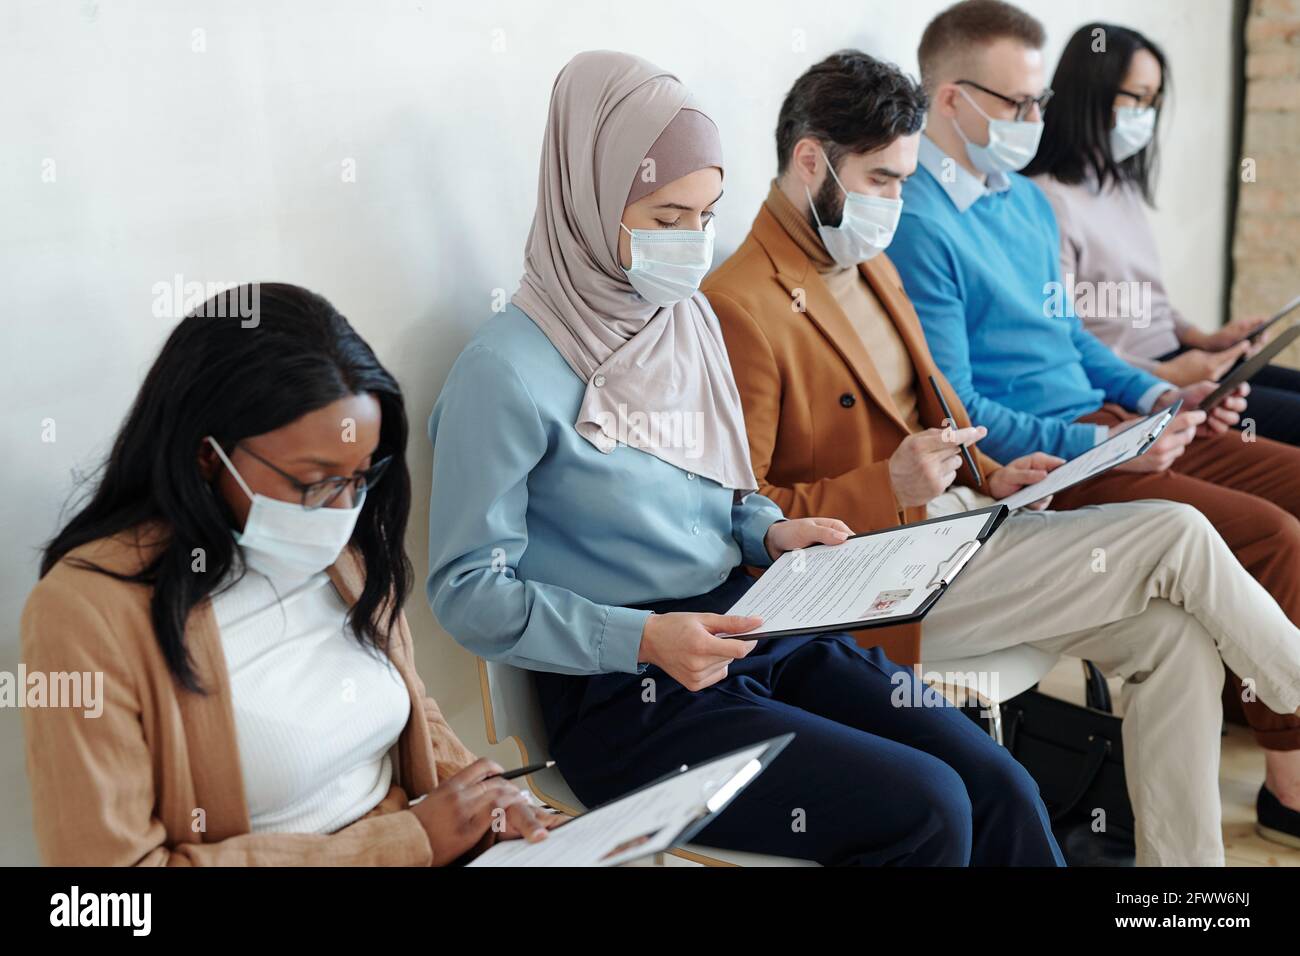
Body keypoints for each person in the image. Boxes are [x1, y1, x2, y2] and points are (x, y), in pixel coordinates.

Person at [427, 50, 1064, 866]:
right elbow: (466, 593)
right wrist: (643, 639)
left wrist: (767, 533)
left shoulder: (681, 321)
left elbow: (726, 492)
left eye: (706, 213)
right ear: (585, 198)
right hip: (636, 695)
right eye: (665, 218)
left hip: (758, 624)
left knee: (997, 783)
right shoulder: (504, 371)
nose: (693, 243)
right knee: (929, 809)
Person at [704, 48, 1300, 866]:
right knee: (1177, 533)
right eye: (882, 179)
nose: (897, 200)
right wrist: (889, 485)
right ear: (812, 160)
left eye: (905, 179)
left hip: (960, 530)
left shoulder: (862, 257)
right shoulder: (740, 303)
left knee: (1175, 641)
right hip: (878, 584)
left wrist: (994, 474)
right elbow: (741, 518)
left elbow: (938, 407)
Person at [887, 0, 1300, 849]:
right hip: (1053, 456)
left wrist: (1158, 403)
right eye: (1017, 104)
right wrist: (1105, 443)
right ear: (951, 98)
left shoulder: (1023, 205)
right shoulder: (916, 220)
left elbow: (1071, 338)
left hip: (1111, 419)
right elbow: (958, 409)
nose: (1036, 121)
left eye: (1040, 102)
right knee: (1273, 536)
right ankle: (1290, 775)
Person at [21, 283, 560, 865]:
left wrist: (490, 802)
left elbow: (412, 711)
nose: (342, 512)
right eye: (314, 482)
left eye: (360, 478)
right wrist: (405, 842)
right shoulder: (87, 611)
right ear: (208, 455)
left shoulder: (343, 555)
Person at [1025, 22, 1300, 445]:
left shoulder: (1119, 186)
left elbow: (1151, 301)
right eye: (1138, 97)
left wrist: (1206, 339)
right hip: (1141, 378)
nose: (1147, 115)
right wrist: (1165, 376)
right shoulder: (1046, 200)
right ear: (1090, 92)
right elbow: (1062, 335)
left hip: (1178, 361)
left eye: (1154, 101)